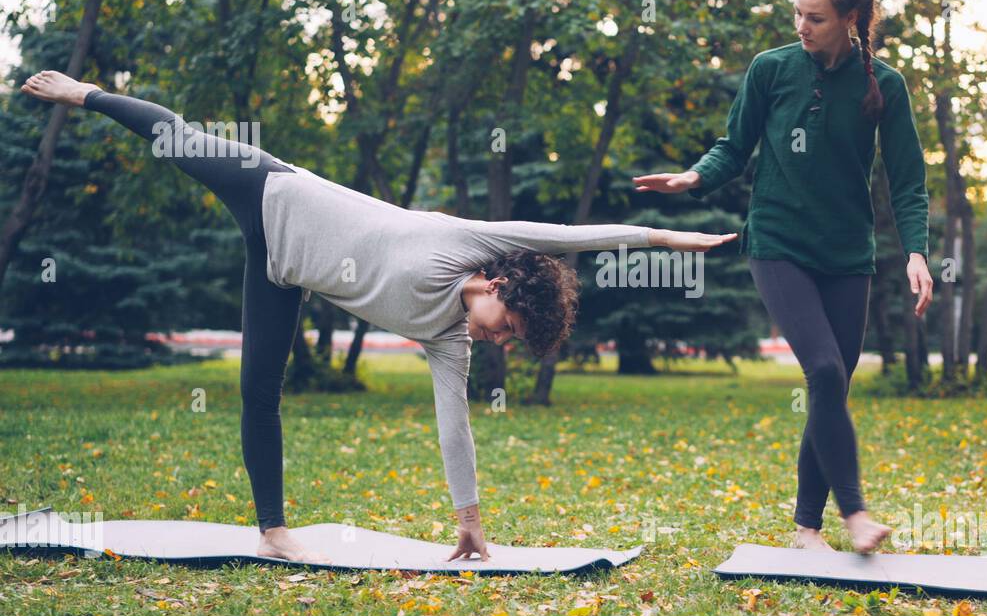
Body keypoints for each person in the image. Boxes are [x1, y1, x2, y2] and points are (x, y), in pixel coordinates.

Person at [20, 69, 736, 565]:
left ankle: (272, 531)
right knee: (178, 139)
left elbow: (453, 429)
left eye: (507, 343)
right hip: (274, 190)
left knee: (257, 393)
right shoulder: (470, 242)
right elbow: (572, 237)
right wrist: (670, 238)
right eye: (505, 325)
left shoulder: (446, 340)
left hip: (280, 270)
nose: (495, 340)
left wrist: (470, 523)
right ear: (497, 281)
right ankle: (86, 93)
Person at [633, 0, 933, 554]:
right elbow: (734, 145)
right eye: (797, 12)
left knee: (832, 386)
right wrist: (693, 179)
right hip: (777, 243)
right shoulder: (771, 70)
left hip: (847, 252)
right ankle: (855, 514)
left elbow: (907, 179)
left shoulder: (886, 86)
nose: (801, 26)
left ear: (850, 18)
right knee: (822, 369)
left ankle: (805, 530)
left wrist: (917, 253)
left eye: (815, 18)